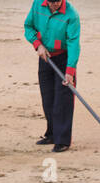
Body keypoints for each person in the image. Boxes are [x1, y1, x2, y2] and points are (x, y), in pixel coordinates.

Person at [24, 0, 80, 153]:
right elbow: (28, 27)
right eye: (51, 1)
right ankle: (53, 134)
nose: (54, 5)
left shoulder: (71, 15)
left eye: (57, 1)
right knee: (48, 98)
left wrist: (70, 71)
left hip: (64, 59)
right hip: (45, 57)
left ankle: (62, 140)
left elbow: (74, 43)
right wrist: (37, 44)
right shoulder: (37, 5)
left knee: (62, 101)